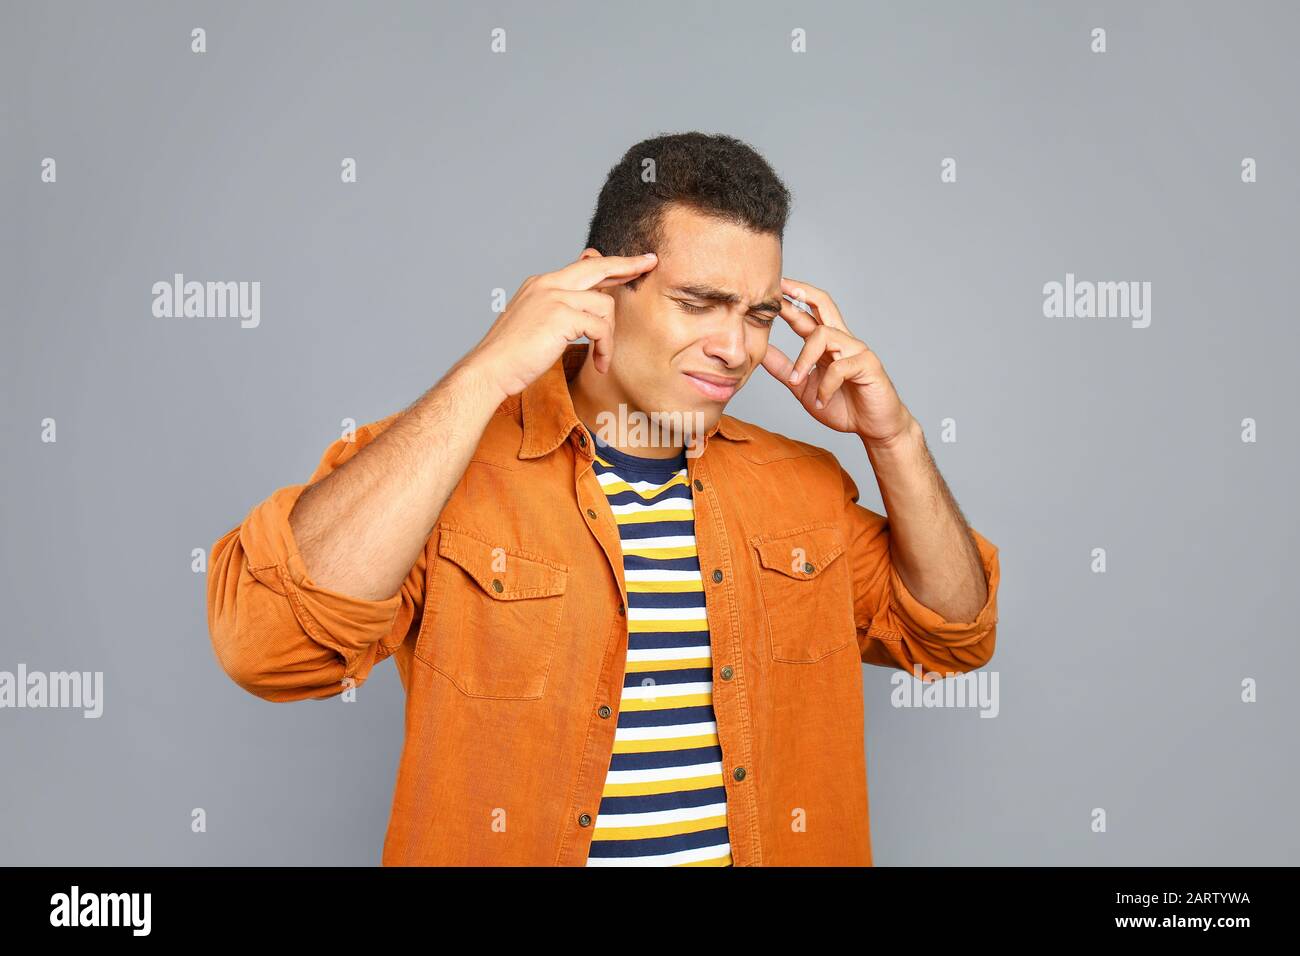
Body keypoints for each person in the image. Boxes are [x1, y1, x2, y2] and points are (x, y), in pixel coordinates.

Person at [206, 131, 1000, 866]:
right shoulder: (443, 472)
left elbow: (955, 636)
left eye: (757, 315)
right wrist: (485, 373)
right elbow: (268, 645)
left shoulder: (805, 489)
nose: (736, 349)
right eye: (698, 303)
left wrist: (895, 441)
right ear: (601, 286)